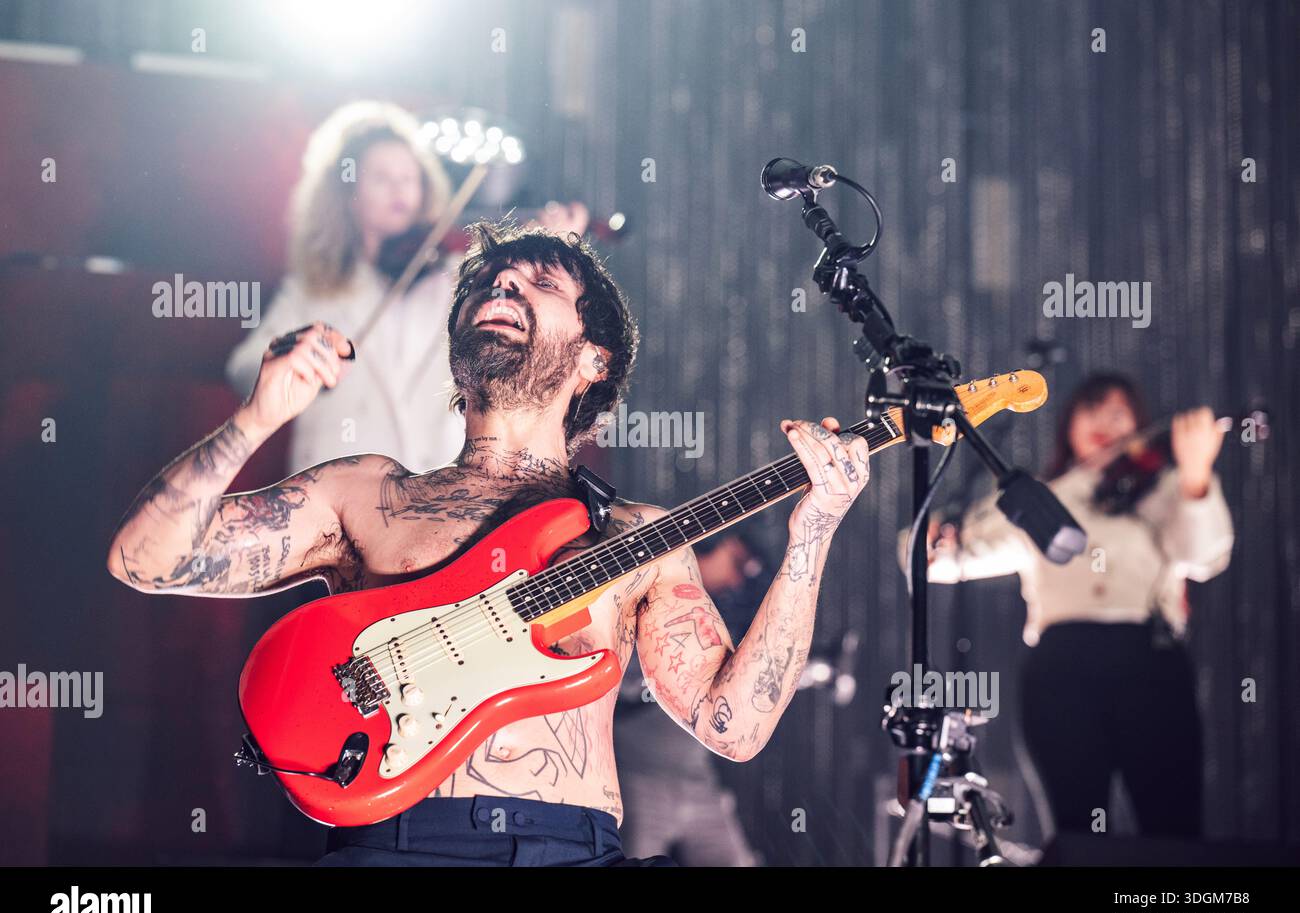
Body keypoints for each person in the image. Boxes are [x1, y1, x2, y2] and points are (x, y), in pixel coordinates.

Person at [107, 220, 872, 866]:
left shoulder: (634, 536)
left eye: (539, 283)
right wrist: (259, 415)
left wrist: (815, 532)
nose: (503, 286)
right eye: (490, 281)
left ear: (592, 360)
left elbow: (730, 725)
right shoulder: (368, 494)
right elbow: (145, 558)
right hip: (394, 841)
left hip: (570, 844)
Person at [908, 372, 1233, 839]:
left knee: (1173, 827)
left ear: (1138, 423)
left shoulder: (1159, 488)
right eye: (1093, 409)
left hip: (1149, 660)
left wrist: (1196, 472)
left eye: (1119, 413)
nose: (1105, 421)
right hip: (1062, 669)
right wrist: (942, 534)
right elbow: (924, 558)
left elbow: (1205, 556)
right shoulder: (1042, 498)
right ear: (1069, 424)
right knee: (1075, 828)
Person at [226, 100, 588, 475]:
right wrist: (302, 361)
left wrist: (553, 247)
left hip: (436, 482)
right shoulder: (312, 288)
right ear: (346, 193)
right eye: (381, 177)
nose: (399, 188)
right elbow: (241, 369)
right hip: (336, 483)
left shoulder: (462, 278)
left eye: (409, 177)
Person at [615, 530, 768, 866]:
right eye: (737, 562)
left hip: (699, 781)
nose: (737, 578)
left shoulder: (719, 611)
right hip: (637, 778)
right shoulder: (646, 583)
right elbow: (622, 683)